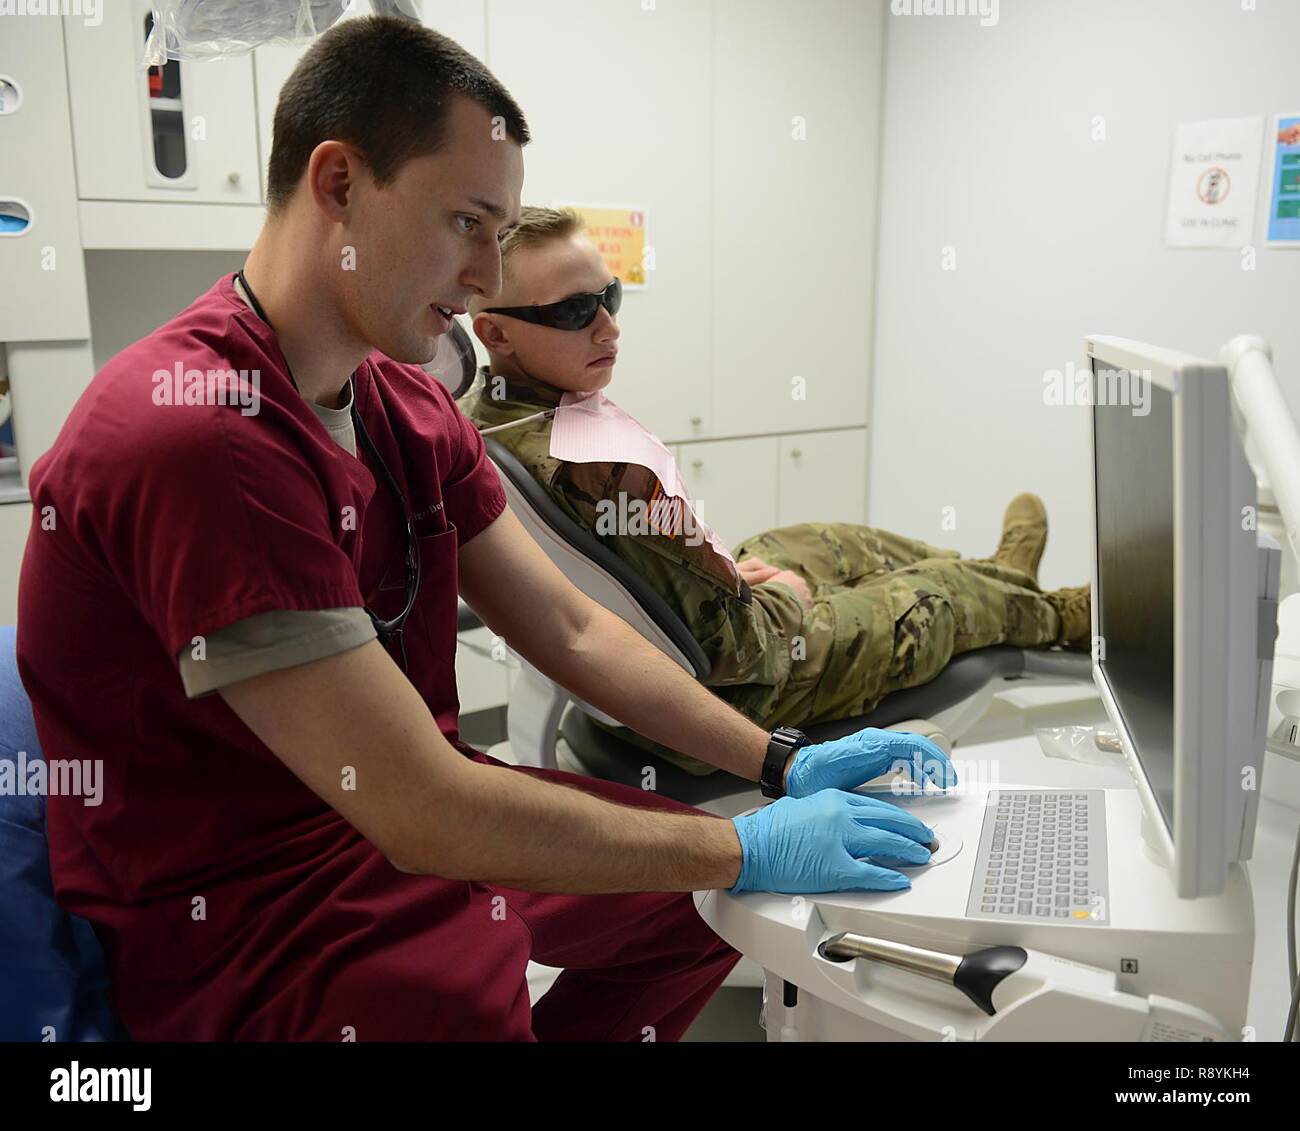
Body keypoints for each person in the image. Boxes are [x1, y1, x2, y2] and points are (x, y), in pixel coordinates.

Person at [17, 16, 952, 1043]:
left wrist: (776, 763)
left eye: (500, 236)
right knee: (487, 984)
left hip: (401, 824)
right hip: (256, 905)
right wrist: (742, 847)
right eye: (466, 222)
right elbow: (419, 808)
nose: (485, 277)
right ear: (338, 184)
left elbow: (574, 629)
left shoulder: (404, 408)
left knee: (699, 914)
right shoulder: (196, 435)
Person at [462, 207, 1092, 775]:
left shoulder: (488, 420)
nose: (609, 329)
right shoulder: (595, 471)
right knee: (934, 597)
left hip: (683, 649)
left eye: (609, 297)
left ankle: (1002, 576)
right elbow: (738, 649)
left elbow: (645, 581)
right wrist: (788, 599)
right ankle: (1058, 611)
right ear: (495, 334)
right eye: (574, 312)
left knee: (818, 541)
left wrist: (729, 577)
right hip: (739, 694)